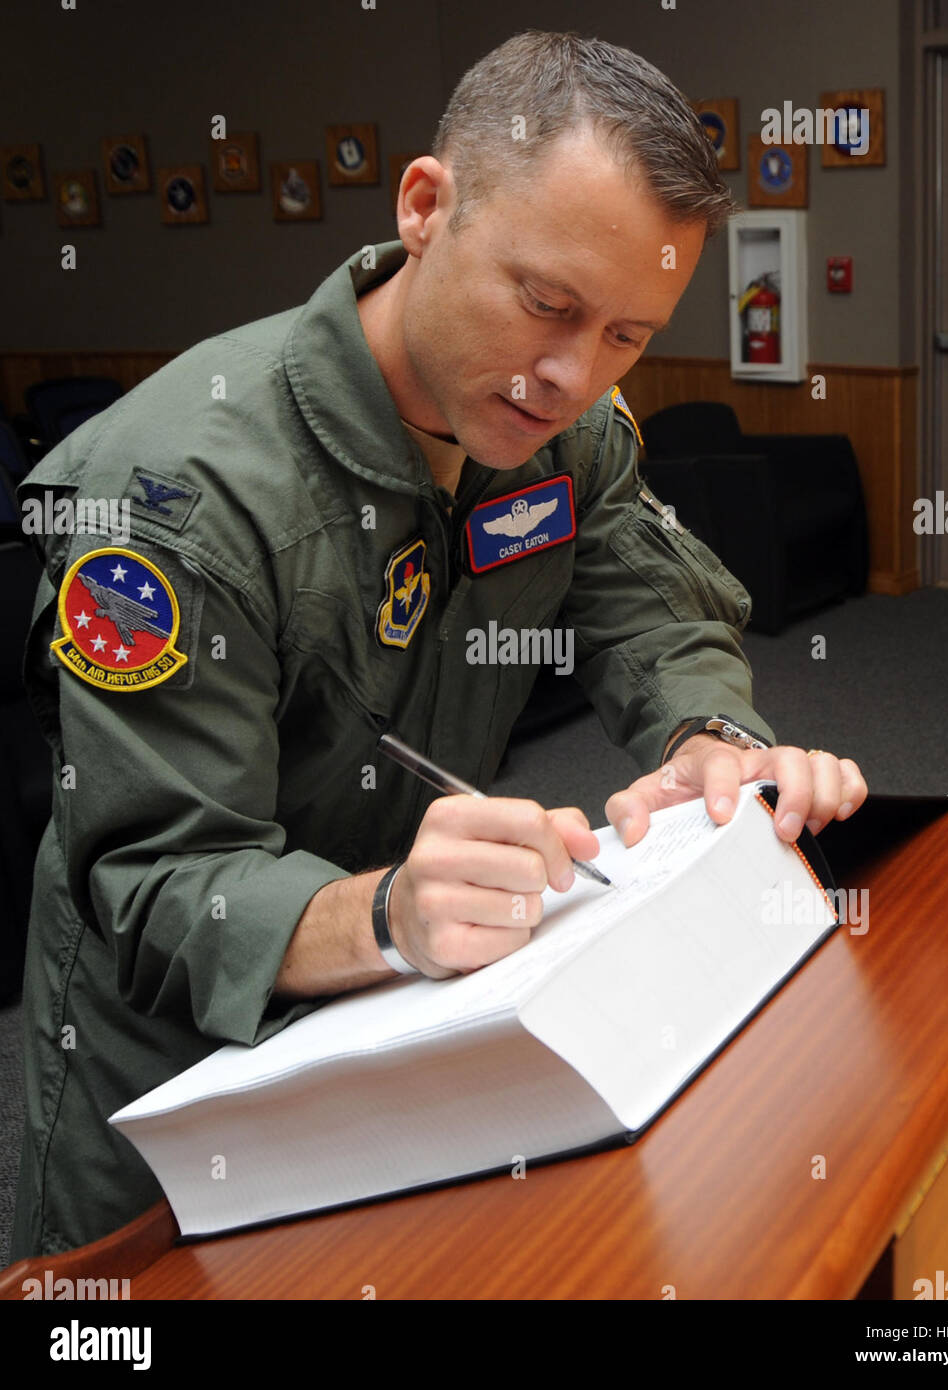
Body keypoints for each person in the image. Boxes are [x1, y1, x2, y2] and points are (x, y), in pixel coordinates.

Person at [10, 30, 866, 1261]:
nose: (569, 377)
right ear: (424, 207)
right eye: (545, 303)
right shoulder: (170, 502)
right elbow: (155, 881)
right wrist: (383, 917)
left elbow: (649, 604)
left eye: (626, 334)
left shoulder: (563, 424)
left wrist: (707, 739)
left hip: (419, 1008)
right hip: (169, 1072)